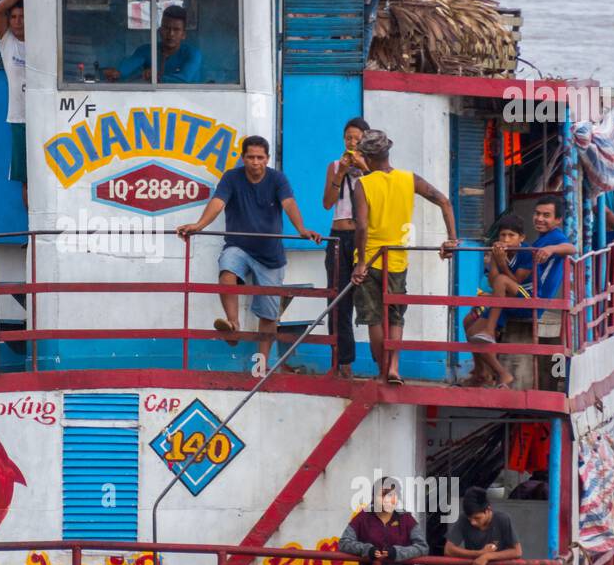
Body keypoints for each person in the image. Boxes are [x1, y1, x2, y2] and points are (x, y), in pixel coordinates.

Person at [177, 135, 322, 367]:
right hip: (239, 246)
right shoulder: (231, 178)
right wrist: (199, 225)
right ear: (243, 158)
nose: (255, 162)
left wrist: (301, 228)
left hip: (270, 255)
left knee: (268, 315)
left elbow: (289, 203)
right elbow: (217, 203)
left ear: (267, 159)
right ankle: (233, 325)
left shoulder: (277, 179)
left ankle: (261, 365)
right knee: (227, 269)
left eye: (260, 158)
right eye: (251, 157)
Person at [349, 129, 458, 385]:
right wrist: (452, 239)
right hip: (397, 260)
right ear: (388, 152)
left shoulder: (363, 184)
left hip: (370, 259)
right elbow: (444, 201)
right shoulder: (409, 179)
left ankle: (382, 371)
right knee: (396, 315)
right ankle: (394, 367)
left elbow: (362, 226)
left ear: (366, 156)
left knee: (374, 318)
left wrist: (362, 262)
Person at [321, 116, 369, 377]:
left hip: (363, 238)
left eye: (357, 139)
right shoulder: (335, 166)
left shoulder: (372, 167)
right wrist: (340, 173)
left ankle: (380, 364)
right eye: (348, 138)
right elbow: (327, 203)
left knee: (370, 299)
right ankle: (342, 363)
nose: (352, 143)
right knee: (338, 302)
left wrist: (363, 168)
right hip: (339, 236)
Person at [461, 212, 532, 388]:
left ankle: (490, 331)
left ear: (521, 237)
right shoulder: (497, 252)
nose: (506, 239)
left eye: (511, 235)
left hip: (524, 299)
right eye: (503, 235)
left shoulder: (526, 253)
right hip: (500, 299)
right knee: (469, 324)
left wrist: (502, 264)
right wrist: (495, 259)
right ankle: (482, 372)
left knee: (502, 280)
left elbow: (515, 282)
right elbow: (493, 282)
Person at [102, 6, 202, 84]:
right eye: (166, 28)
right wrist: (115, 73)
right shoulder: (146, 50)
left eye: (176, 30)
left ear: (183, 35)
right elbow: (126, 69)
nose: (171, 34)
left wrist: (156, 77)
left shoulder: (192, 54)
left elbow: (184, 79)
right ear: (159, 31)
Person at [0, 0, 27, 203]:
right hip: (19, 118)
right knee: (27, 180)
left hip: (45, 115)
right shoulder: (7, 43)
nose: (17, 22)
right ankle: (32, 235)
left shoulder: (42, 40)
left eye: (22, 16)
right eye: (14, 17)